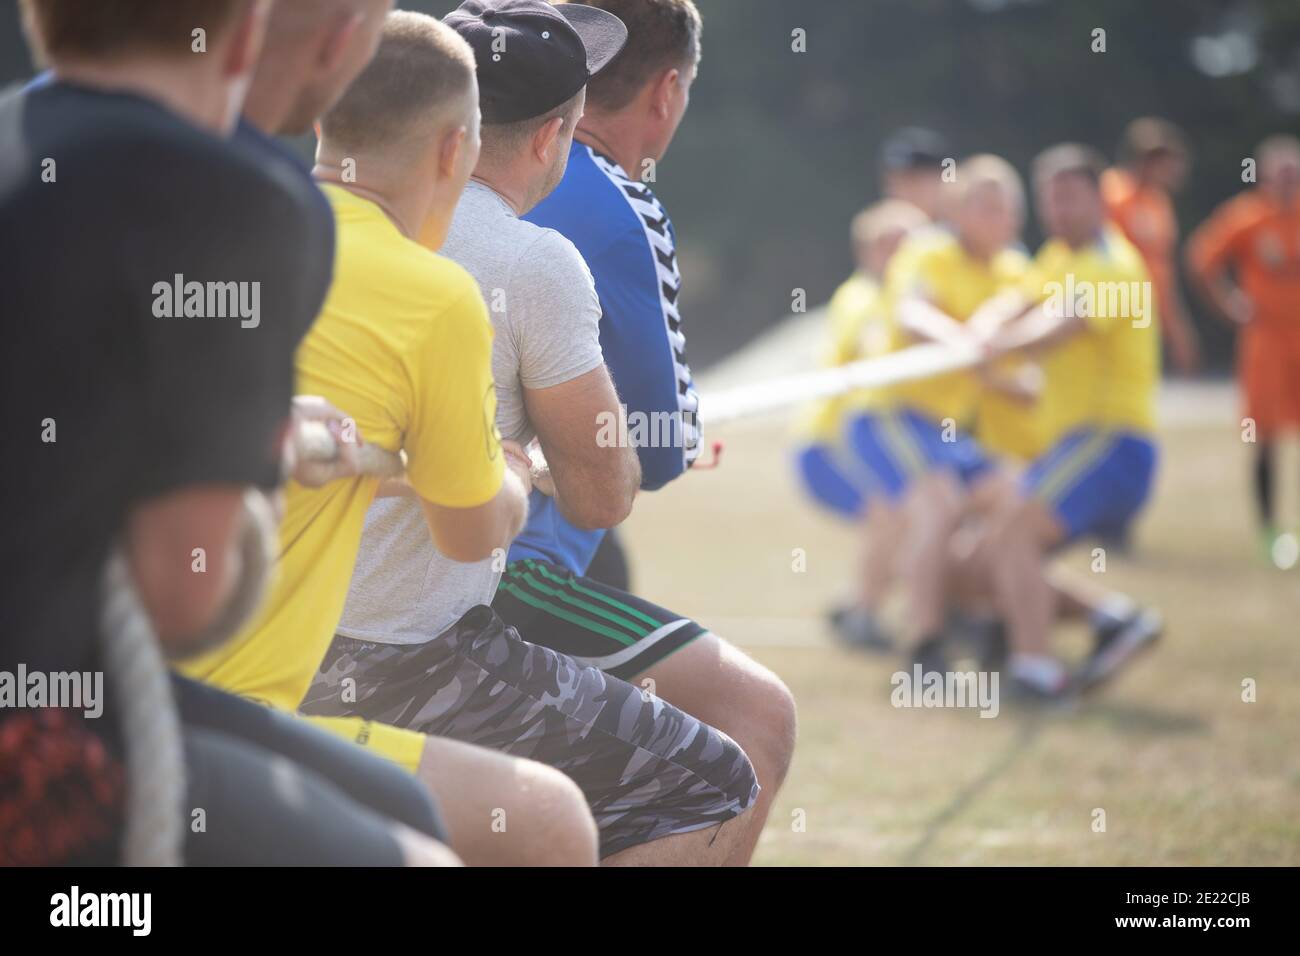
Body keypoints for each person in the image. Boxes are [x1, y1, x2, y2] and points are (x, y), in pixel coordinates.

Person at [303, 0, 759, 867]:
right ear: (549, 139)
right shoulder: (524, 260)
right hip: (411, 651)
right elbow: (598, 494)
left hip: (269, 631)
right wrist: (524, 470)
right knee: (712, 782)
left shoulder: (283, 228)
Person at [2, 0, 453, 865]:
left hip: (56, 679)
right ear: (248, 30)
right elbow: (183, 592)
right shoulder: (235, 199)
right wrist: (249, 464)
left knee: (404, 803)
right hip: (36, 744)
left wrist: (250, 431)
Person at [486, 0, 796, 866]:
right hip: (498, 562)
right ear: (665, 92)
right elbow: (657, 452)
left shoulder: (416, 183)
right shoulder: (617, 202)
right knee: (755, 717)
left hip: (402, 550)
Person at [972, 144, 1162, 700]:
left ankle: (1038, 671)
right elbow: (1015, 305)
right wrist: (982, 334)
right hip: (1077, 444)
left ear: (1100, 200)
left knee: (1012, 535)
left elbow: (1058, 326)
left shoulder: (1112, 264)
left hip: (1111, 441)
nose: (1057, 210)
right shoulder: (1057, 258)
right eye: (1049, 199)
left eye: (1070, 197)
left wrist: (995, 347)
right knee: (992, 551)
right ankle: (1114, 619)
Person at [841, 155, 1029, 669]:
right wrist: (966, 340)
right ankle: (925, 647)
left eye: (1007, 208)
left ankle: (986, 617)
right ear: (958, 210)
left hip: (945, 430)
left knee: (1014, 501)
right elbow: (912, 311)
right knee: (939, 506)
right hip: (889, 412)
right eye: (984, 205)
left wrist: (1003, 365)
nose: (999, 217)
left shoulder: (1014, 268)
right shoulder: (929, 252)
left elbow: (1014, 324)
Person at [792, 200, 927, 646]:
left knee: (903, 516)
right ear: (869, 251)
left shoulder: (896, 297)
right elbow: (872, 344)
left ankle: (860, 604)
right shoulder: (865, 296)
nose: (905, 255)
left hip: (851, 441)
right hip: (828, 443)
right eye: (893, 244)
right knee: (889, 513)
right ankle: (863, 615)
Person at [1188, 135, 1300, 567]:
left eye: (1295, 174)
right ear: (1265, 176)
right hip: (1267, 342)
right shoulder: (1248, 217)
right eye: (1281, 174)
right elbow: (1201, 258)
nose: (1288, 182)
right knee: (1265, 438)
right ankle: (1271, 533)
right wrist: (1229, 304)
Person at [1103, 118, 1200, 375]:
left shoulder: (1158, 202)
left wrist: (1176, 326)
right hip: (1113, 314)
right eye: (1167, 165)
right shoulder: (1113, 194)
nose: (1175, 172)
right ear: (1148, 161)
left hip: (1146, 314)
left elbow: (1163, 270)